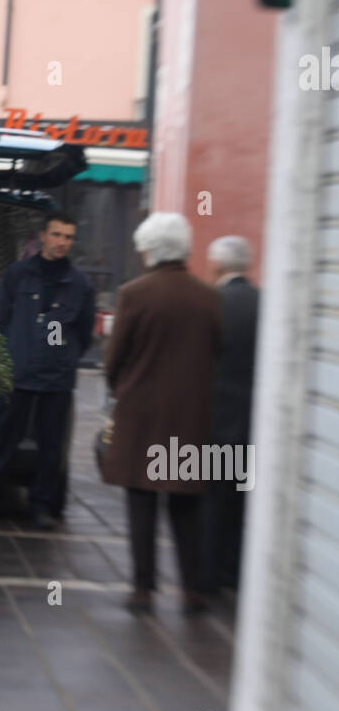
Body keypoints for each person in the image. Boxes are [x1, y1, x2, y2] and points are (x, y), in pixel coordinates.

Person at [102, 212, 222, 615]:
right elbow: (219, 355)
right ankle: (192, 589)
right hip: (190, 416)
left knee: (141, 501)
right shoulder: (209, 297)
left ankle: (143, 588)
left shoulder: (135, 293)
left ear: (150, 250)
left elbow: (113, 359)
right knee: (186, 505)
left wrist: (120, 387)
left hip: (142, 415)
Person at [0, 212, 95, 529]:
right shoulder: (18, 275)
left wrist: (64, 357)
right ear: (43, 236)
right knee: (2, 439)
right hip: (17, 373)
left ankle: (41, 506)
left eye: (68, 237)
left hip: (57, 379)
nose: (61, 243)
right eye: (56, 235)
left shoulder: (80, 284)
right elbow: (1, 320)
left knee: (51, 446)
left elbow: (83, 332)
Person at [200, 235, 259, 593]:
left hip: (215, 418)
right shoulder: (263, 302)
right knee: (241, 500)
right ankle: (234, 572)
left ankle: (207, 577)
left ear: (217, 265)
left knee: (211, 501)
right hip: (251, 420)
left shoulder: (212, 303)